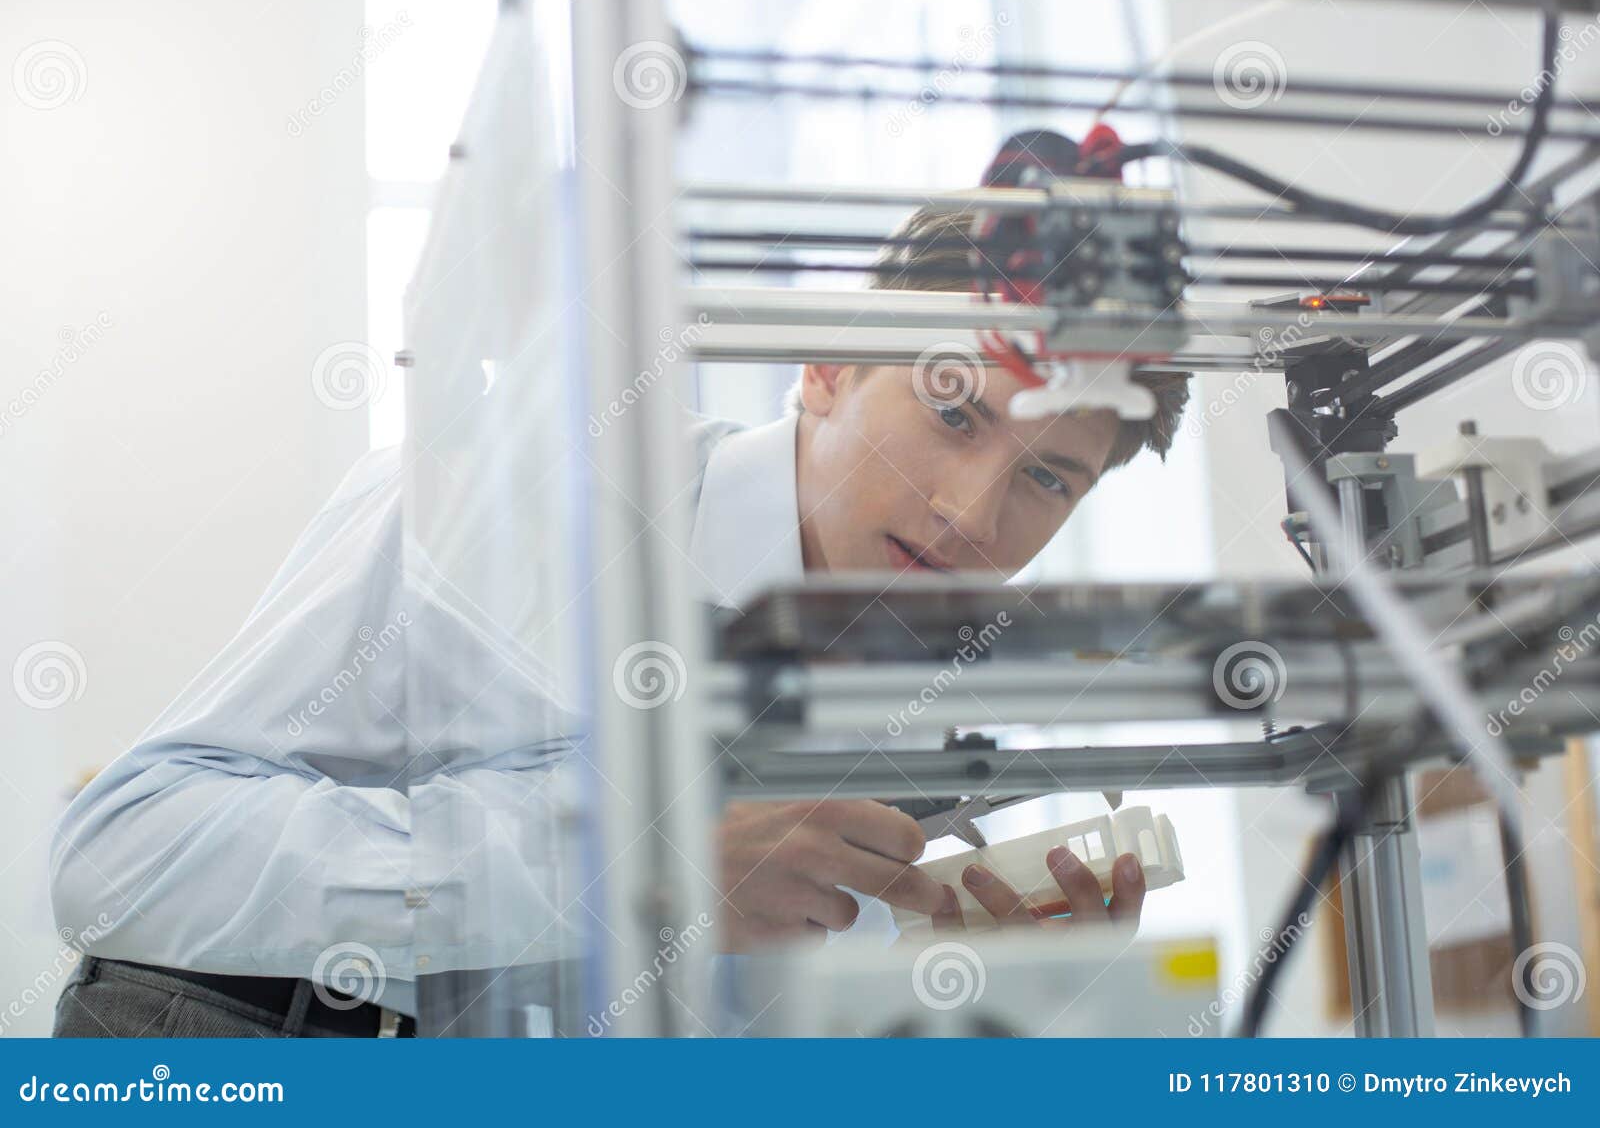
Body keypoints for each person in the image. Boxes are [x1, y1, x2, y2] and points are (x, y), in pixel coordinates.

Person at [51, 152, 1190, 1038]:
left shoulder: (913, 714)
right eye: (952, 411)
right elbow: (120, 853)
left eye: (1048, 477)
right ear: (831, 364)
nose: (970, 515)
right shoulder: (524, 495)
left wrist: (1002, 986)